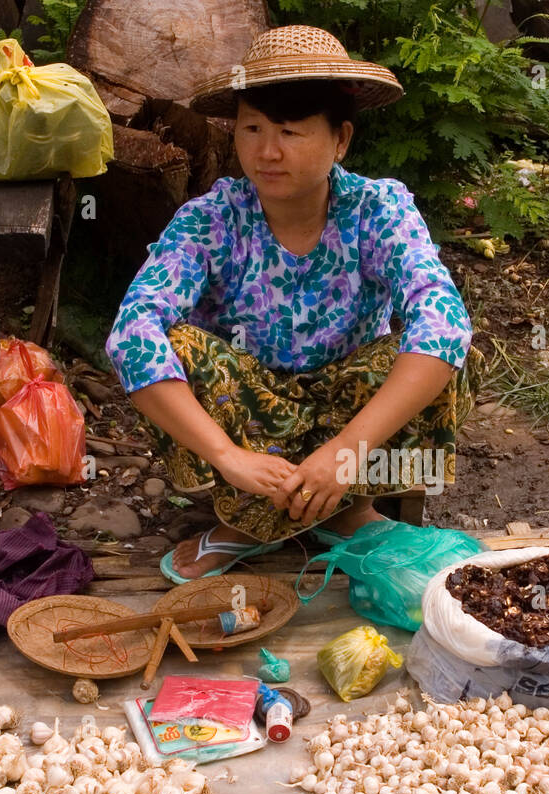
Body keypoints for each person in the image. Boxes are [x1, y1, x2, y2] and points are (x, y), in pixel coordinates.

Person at [104, 25, 476, 583]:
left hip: (346, 409)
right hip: (250, 411)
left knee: (442, 350)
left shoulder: (377, 210)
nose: (267, 151)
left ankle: (349, 509)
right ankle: (247, 519)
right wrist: (229, 456)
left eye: (291, 131)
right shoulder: (213, 218)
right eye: (252, 128)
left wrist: (346, 453)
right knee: (173, 345)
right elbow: (134, 329)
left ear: (341, 139)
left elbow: (441, 318)